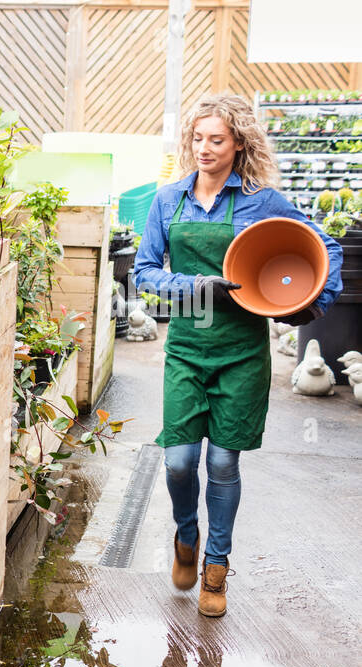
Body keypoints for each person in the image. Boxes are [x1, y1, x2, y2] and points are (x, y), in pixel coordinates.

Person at [134, 93, 342, 618]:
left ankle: (216, 569)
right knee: (180, 462)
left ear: (239, 143)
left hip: (242, 352)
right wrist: (193, 283)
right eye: (198, 138)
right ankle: (187, 536)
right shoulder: (168, 200)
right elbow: (143, 273)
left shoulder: (262, 201)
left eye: (216, 140)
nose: (204, 148)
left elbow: (326, 247)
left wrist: (311, 304)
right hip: (186, 347)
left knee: (224, 461)